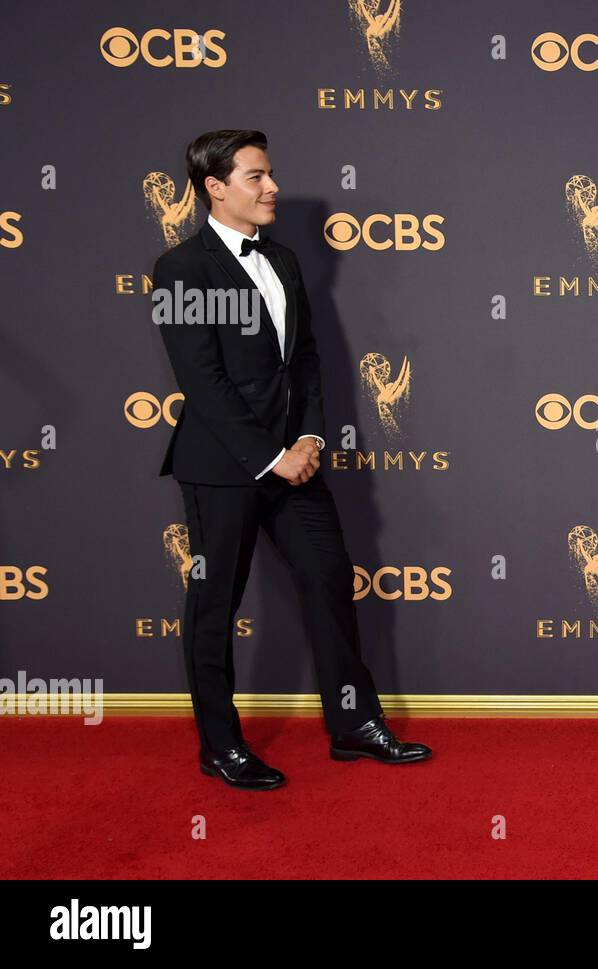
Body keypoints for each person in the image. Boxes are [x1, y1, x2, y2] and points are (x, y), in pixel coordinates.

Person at [152, 129, 431, 790]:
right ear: (214, 187)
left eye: (270, 173)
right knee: (214, 604)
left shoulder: (282, 261)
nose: (271, 186)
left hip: (296, 462)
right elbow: (202, 382)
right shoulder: (179, 269)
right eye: (255, 176)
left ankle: (354, 724)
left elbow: (305, 361)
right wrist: (268, 455)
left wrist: (307, 439)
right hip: (224, 465)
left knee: (330, 576)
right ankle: (220, 745)